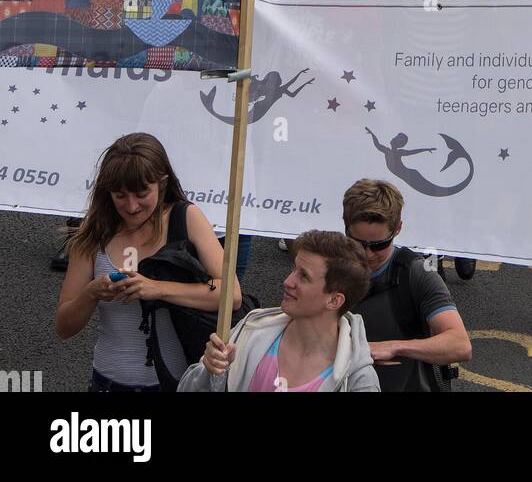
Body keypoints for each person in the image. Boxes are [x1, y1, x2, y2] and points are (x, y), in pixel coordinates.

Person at [56, 133, 241, 392]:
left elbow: (230, 293)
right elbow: (64, 326)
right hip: (107, 383)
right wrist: (91, 293)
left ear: (162, 184)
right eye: (120, 196)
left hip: (174, 384)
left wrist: (157, 289)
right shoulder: (95, 231)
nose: (131, 206)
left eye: (142, 193)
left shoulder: (186, 218)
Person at [178, 231, 379, 393]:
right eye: (294, 269)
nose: (287, 282)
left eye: (304, 277)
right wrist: (210, 371)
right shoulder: (250, 330)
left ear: (334, 300)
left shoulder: (357, 380)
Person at [342, 180, 473, 389]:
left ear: (398, 228)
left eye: (379, 245)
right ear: (345, 226)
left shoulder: (417, 273)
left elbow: (460, 344)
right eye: (358, 243)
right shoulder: (327, 266)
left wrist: (394, 347)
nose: (367, 253)